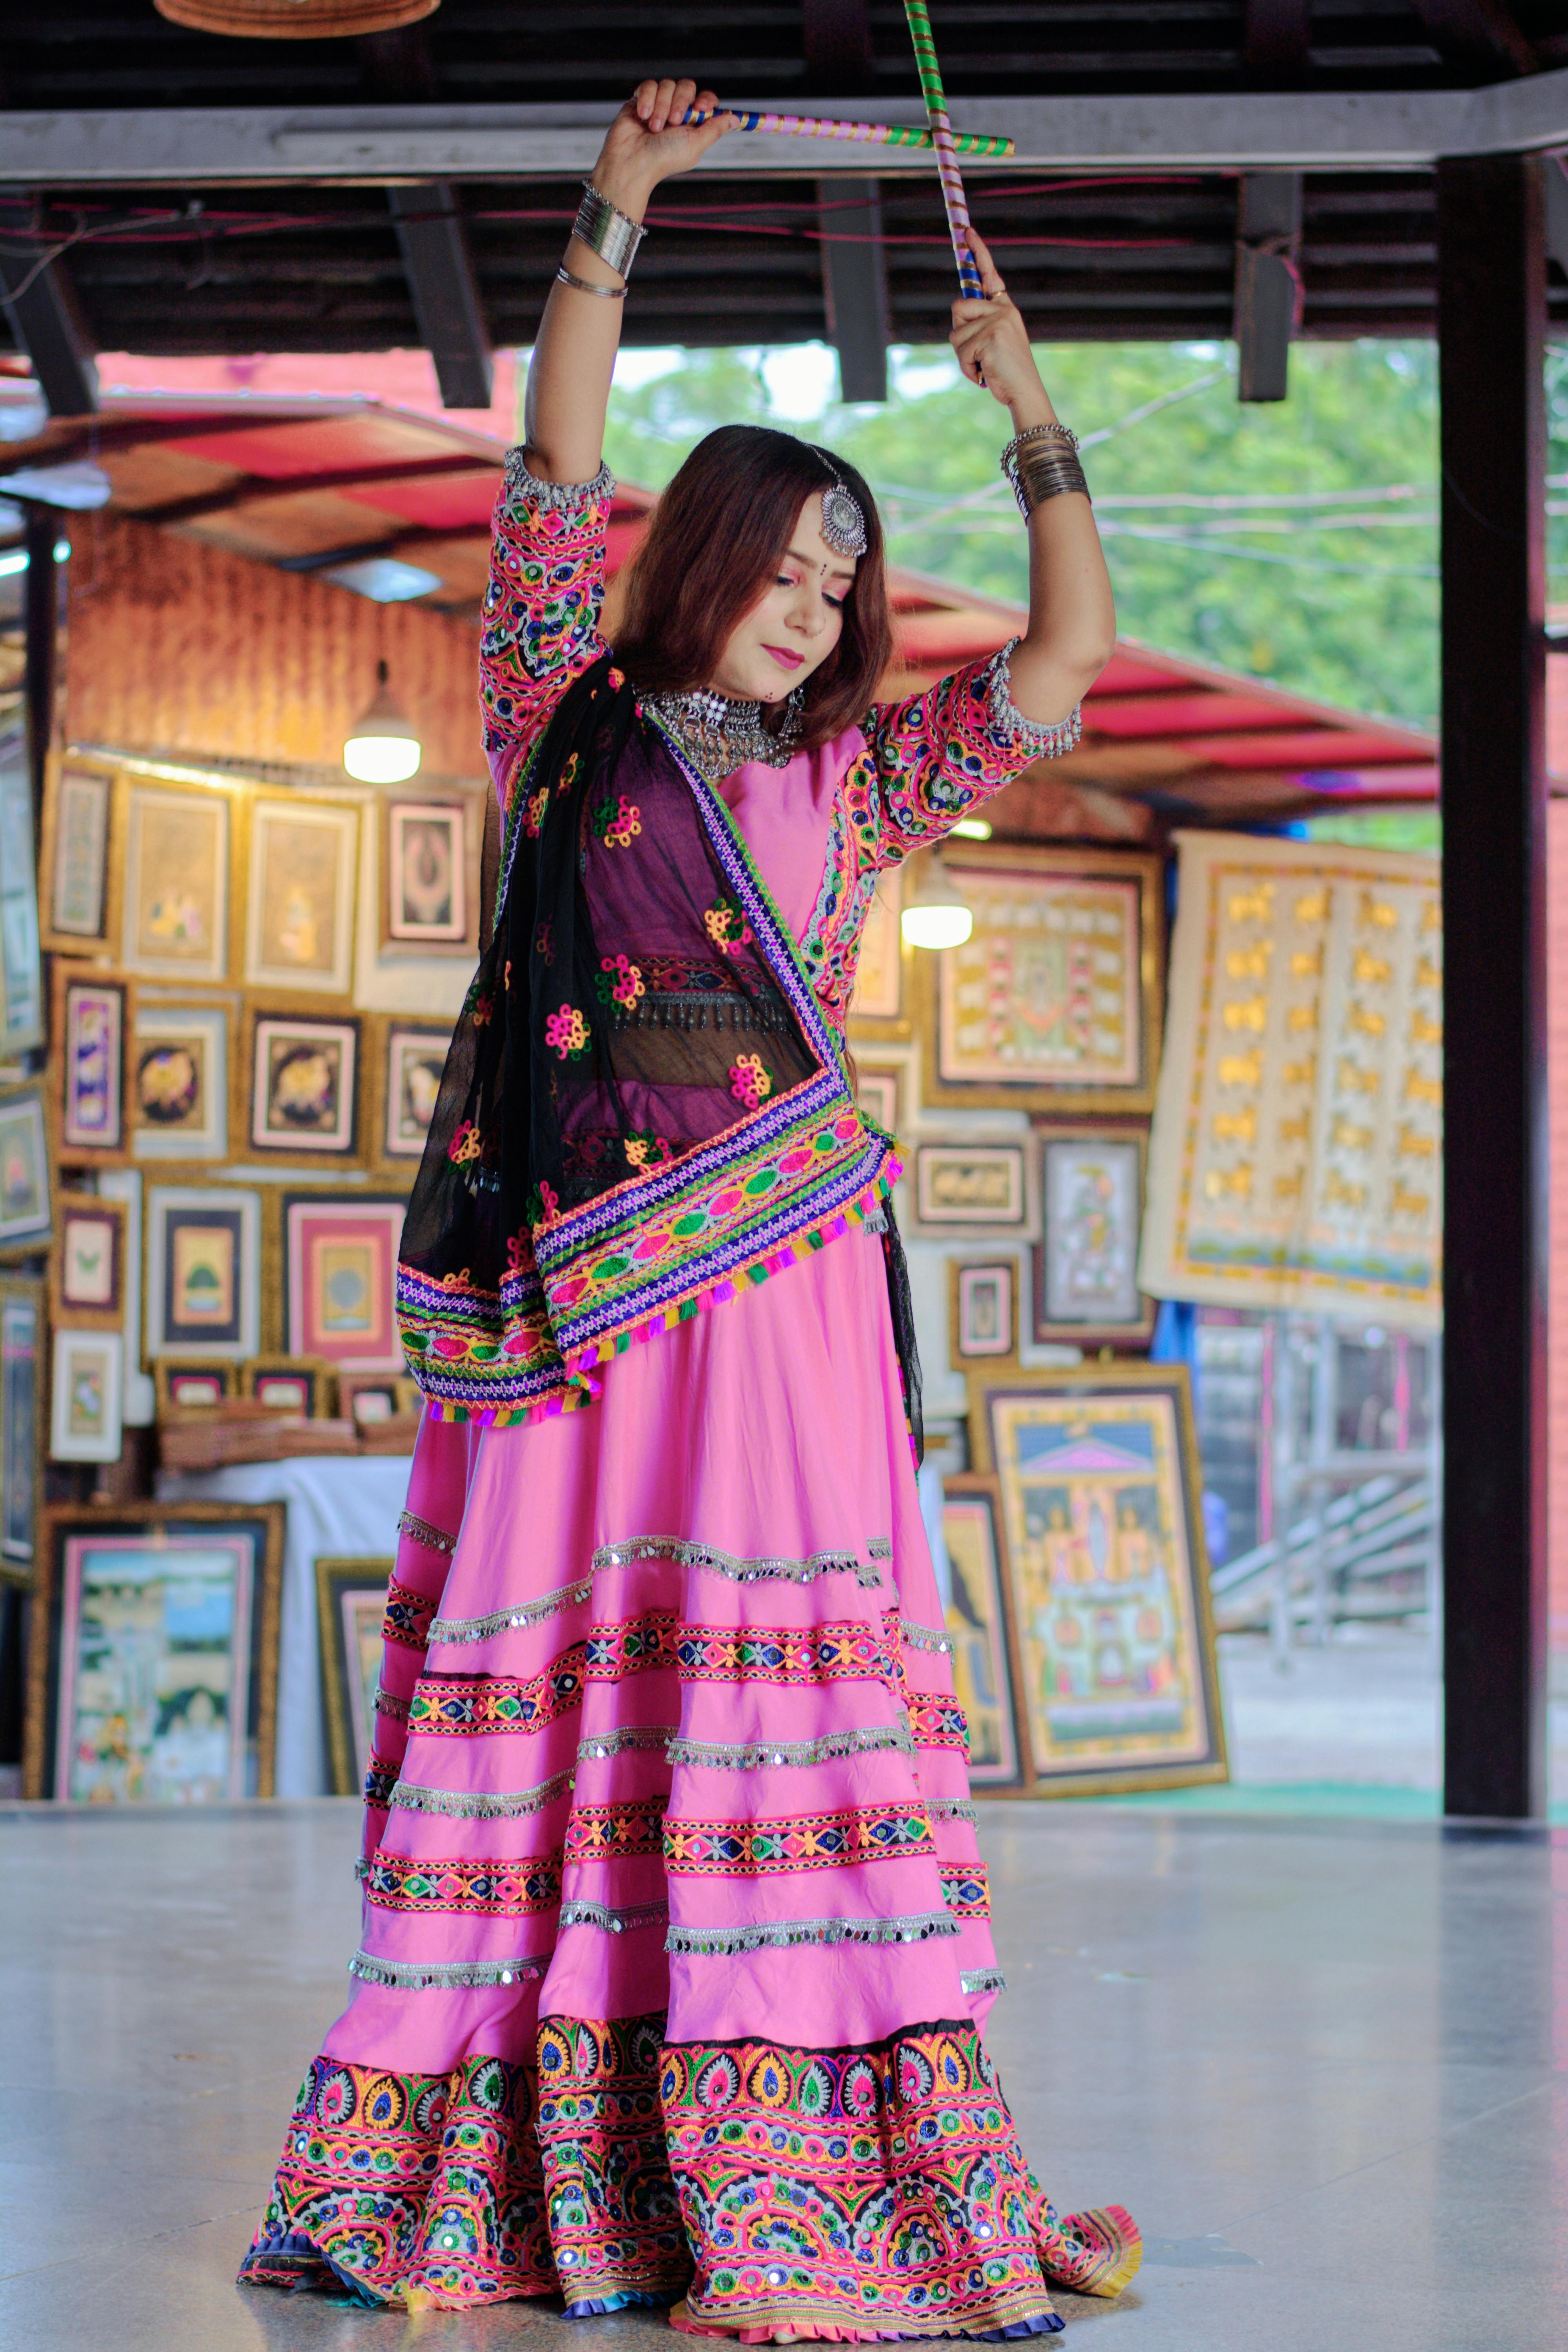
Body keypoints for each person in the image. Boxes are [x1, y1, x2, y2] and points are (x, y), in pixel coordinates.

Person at [240, 73, 1139, 2339]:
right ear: (708, 559)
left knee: (776, 1708)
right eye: (793, 559)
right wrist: (618, 202)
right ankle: (512, 2174)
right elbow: (551, 473)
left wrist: (1035, 426)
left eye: (850, 576)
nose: (822, 599)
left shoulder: (858, 768)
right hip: (584, 1309)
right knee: (566, 1708)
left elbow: (1057, 675)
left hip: (793, 1305)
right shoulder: (563, 708)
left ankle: (796, 2181)